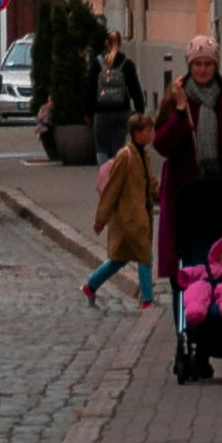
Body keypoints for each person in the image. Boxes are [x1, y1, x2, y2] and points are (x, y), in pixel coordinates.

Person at [151, 41, 222, 283]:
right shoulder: (174, 101)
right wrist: (179, 111)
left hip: (219, 192)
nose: (203, 69)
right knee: (185, 264)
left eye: (208, 64)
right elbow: (162, 145)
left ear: (215, 67)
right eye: (197, 64)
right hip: (184, 192)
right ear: (189, 66)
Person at [82, 122, 154, 310]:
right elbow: (112, 190)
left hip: (138, 216)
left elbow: (150, 183)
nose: (151, 134)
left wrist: (164, 194)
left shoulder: (143, 155)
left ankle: (91, 285)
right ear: (137, 133)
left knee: (120, 259)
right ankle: (147, 300)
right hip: (128, 218)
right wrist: (101, 219)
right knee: (144, 255)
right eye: (148, 131)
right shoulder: (126, 156)